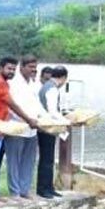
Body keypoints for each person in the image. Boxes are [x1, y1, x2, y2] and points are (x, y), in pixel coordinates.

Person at [0, 57, 38, 204]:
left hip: (1, 126)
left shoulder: (5, 82)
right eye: (9, 68)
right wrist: (28, 119)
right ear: (0, 68)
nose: (11, 71)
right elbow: (13, 105)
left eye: (13, 69)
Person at [5, 55, 46, 198]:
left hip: (32, 129)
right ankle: (15, 192)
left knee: (29, 161)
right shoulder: (13, 83)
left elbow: (38, 105)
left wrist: (45, 119)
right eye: (30, 67)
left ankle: (24, 189)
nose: (33, 70)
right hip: (17, 127)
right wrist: (27, 119)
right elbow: (11, 106)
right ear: (21, 67)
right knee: (14, 162)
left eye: (35, 67)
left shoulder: (34, 83)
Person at [37, 65, 69, 198]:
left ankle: (49, 187)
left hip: (45, 126)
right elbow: (52, 111)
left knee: (48, 159)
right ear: (63, 78)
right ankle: (44, 189)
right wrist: (66, 121)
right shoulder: (52, 89)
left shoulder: (46, 86)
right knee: (47, 159)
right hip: (47, 127)